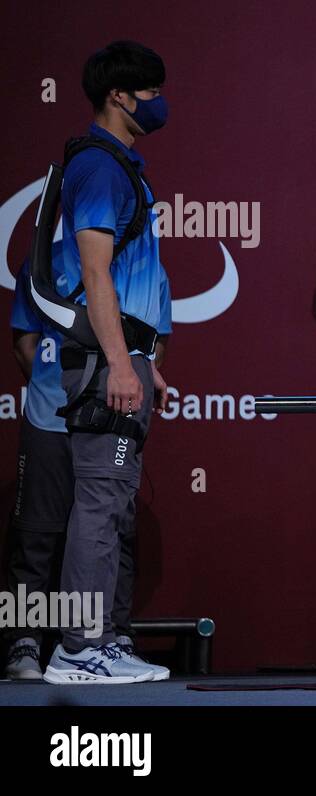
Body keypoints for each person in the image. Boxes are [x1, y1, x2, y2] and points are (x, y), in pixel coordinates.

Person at [39, 41, 173, 684]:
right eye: (150, 92)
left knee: (113, 502)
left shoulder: (122, 167)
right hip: (100, 360)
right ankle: (78, 648)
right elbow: (94, 274)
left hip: (121, 355)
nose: (159, 102)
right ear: (120, 96)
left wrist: (145, 361)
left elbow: (127, 277)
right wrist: (121, 366)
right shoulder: (98, 167)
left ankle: (105, 641)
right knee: (99, 502)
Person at [5, 251, 172, 680]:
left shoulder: (146, 266)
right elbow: (24, 341)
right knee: (37, 534)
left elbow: (153, 344)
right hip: (51, 416)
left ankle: (112, 634)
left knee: (112, 525)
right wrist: (63, 390)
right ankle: (24, 640)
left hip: (108, 414)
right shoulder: (45, 261)